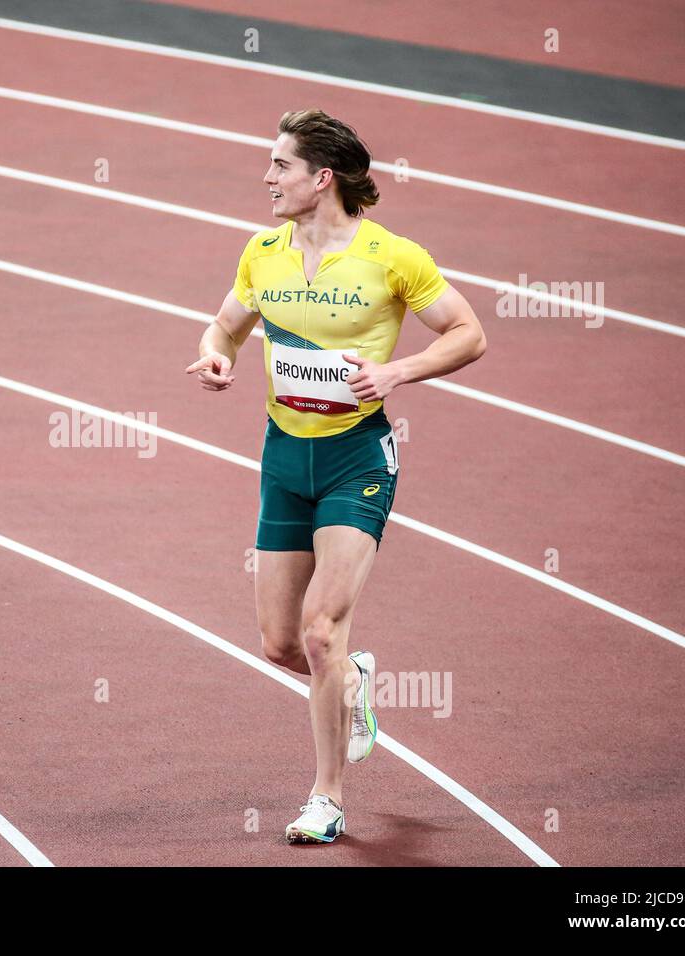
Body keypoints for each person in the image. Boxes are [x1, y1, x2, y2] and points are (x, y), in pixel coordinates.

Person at [186, 109, 486, 844]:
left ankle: (326, 798)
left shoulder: (393, 257)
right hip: (285, 459)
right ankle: (355, 684)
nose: (267, 178)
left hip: (358, 461)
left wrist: (396, 371)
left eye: (280, 166)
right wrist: (216, 353)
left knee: (321, 634)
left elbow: (469, 332)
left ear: (323, 178)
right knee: (280, 645)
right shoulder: (262, 253)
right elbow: (224, 324)